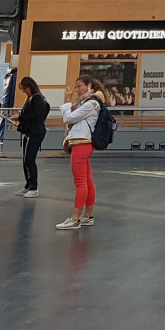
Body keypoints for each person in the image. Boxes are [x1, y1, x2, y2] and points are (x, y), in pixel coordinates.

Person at [58, 75, 102, 231]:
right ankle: (88, 215)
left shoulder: (90, 104)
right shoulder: (91, 103)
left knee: (80, 182)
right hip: (84, 143)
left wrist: (67, 102)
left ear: (89, 86)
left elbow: (68, 118)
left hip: (81, 143)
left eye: (79, 86)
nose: (76, 89)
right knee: (87, 181)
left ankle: (75, 218)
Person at [15, 77, 50, 197]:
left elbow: (36, 116)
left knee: (29, 159)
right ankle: (28, 185)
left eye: (25, 89)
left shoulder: (36, 99)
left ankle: (34, 187)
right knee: (26, 159)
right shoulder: (33, 98)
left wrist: (20, 118)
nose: (25, 91)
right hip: (30, 132)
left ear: (30, 87)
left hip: (35, 132)